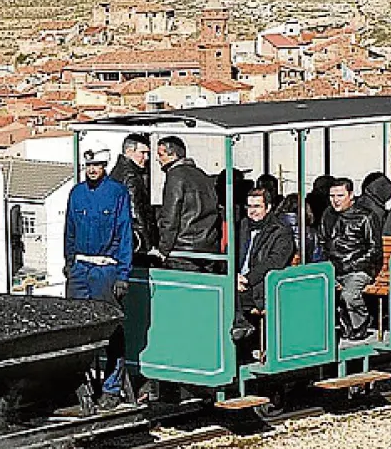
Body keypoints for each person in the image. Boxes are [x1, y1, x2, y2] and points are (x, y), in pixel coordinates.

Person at [65, 147, 135, 409]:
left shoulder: (117, 193)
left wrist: (123, 274)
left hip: (106, 270)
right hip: (80, 269)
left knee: (111, 329)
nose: (92, 170)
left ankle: (111, 388)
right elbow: (70, 230)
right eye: (89, 165)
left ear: (105, 166)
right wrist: (69, 263)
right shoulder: (77, 193)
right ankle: (79, 386)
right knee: (75, 330)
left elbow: (124, 233)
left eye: (97, 165)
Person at [319, 178, 382, 343]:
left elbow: (374, 250)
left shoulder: (366, 217)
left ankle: (360, 324)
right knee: (316, 291)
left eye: (340, 195)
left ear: (351, 195)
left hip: (359, 268)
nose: (335, 200)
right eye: (332, 196)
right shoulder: (327, 215)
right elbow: (323, 242)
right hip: (333, 267)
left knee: (349, 295)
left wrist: (352, 265)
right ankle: (340, 325)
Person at [231, 187, 296, 341]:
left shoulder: (280, 231)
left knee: (231, 295)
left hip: (262, 285)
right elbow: (231, 253)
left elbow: (274, 262)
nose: (252, 211)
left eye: (257, 206)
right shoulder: (243, 225)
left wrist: (247, 279)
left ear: (268, 207)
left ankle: (241, 326)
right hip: (238, 281)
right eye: (249, 206)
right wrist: (233, 277)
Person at [154, 137, 221, 271]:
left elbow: (170, 217)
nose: (157, 159)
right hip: (208, 248)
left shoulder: (175, 175)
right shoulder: (202, 176)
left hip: (182, 250)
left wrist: (163, 249)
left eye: (161, 154)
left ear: (173, 155)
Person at [109, 133, 153, 261]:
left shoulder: (117, 171)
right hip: (133, 241)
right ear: (129, 152)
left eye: (147, 153)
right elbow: (136, 211)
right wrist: (148, 245)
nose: (146, 157)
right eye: (142, 153)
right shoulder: (130, 176)